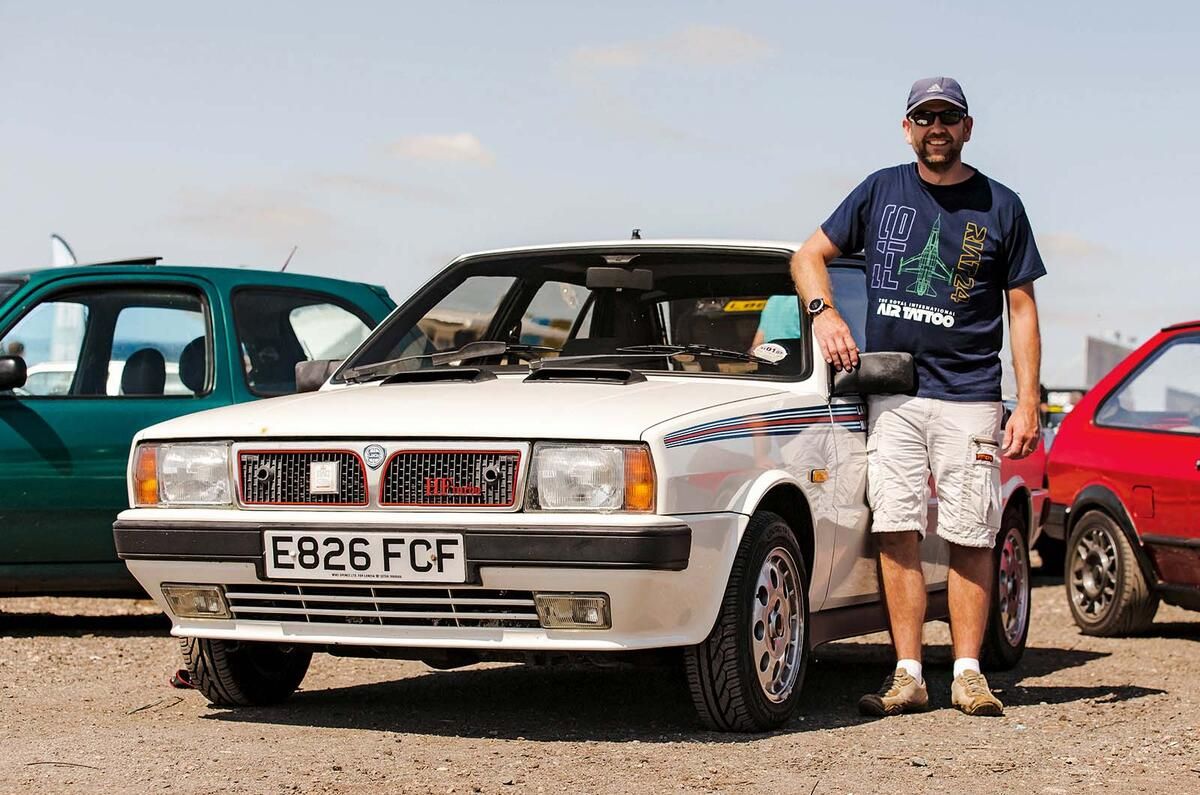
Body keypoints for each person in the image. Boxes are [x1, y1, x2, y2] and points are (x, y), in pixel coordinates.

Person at [790, 76, 1045, 717]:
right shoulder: (881, 190)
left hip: (970, 395)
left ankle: (966, 673)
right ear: (908, 129)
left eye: (948, 117)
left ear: (967, 127)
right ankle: (907, 674)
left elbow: (1022, 308)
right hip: (895, 395)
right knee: (897, 527)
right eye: (924, 117)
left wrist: (1029, 400)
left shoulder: (1001, 205)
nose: (937, 127)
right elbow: (808, 255)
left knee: (970, 532)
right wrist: (825, 314)